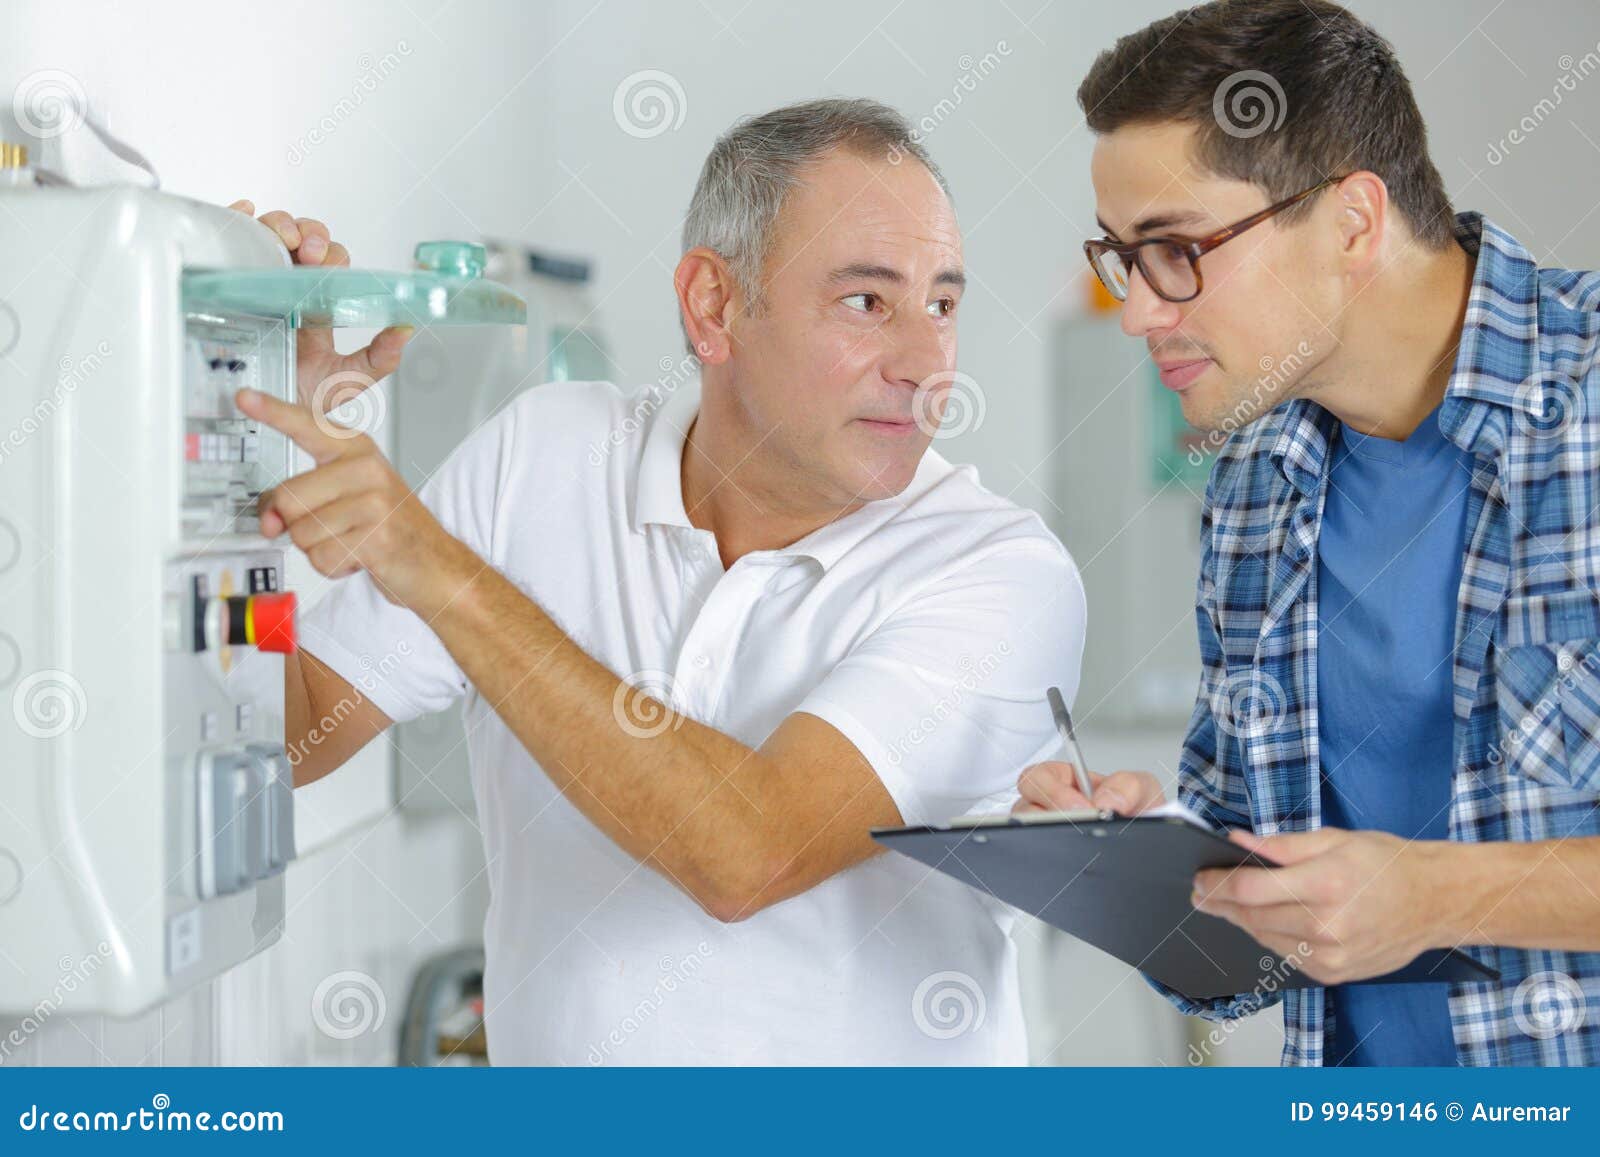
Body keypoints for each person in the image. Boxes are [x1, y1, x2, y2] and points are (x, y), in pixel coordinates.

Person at [239, 98, 1085, 1065]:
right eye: (867, 302)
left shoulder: (1000, 574)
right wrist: (256, 457)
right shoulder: (542, 454)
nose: (926, 362)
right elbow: (291, 737)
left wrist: (445, 574)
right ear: (714, 306)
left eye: (942, 304)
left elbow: (747, 854)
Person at [1017, 0, 1600, 1066]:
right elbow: (1249, 949)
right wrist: (1141, 855)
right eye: (1122, 258)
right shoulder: (1251, 479)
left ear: (1351, 222)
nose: (1141, 311)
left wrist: (1433, 894)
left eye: (1178, 250)